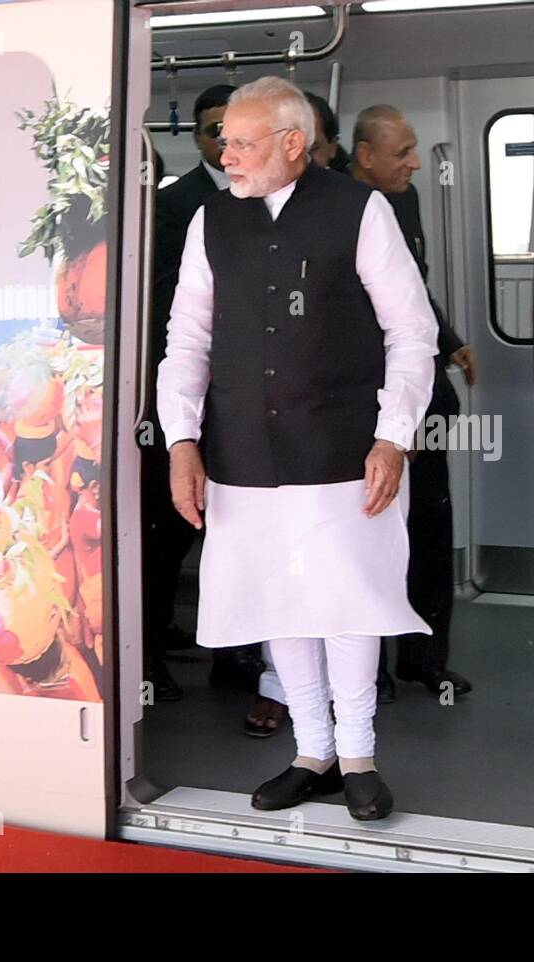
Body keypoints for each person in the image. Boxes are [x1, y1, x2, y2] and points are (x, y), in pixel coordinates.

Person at [157, 77, 439, 821]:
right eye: (224, 143)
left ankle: (357, 756)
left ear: (293, 142)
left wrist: (393, 435)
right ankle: (310, 751)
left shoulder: (360, 210)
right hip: (243, 449)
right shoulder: (213, 221)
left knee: (346, 601)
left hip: (343, 445)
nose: (227, 154)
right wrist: (182, 440)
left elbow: (411, 332)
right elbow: (185, 339)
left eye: (242, 142)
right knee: (278, 601)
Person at [350, 104, 475, 703]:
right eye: (401, 153)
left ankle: (425, 657)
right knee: (371, 537)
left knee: (430, 524)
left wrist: (449, 343)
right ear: (364, 155)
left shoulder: (406, 200)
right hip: (371, 403)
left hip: (425, 396)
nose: (414, 162)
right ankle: (365, 670)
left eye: (414, 149)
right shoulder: (339, 211)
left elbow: (413, 291)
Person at [142, 83, 239, 704]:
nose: (224, 145)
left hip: (256, 396)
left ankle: (237, 661)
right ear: (197, 138)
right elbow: (164, 313)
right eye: (212, 133)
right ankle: (149, 657)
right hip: (190, 395)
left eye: (234, 133)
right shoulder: (175, 206)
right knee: (169, 534)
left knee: (240, 535)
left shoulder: (279, 201)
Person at [305, 90, 351, 174]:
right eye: (284, 151)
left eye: (311, 150)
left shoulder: (349, 186)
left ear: (332, 147)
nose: (298, 163)